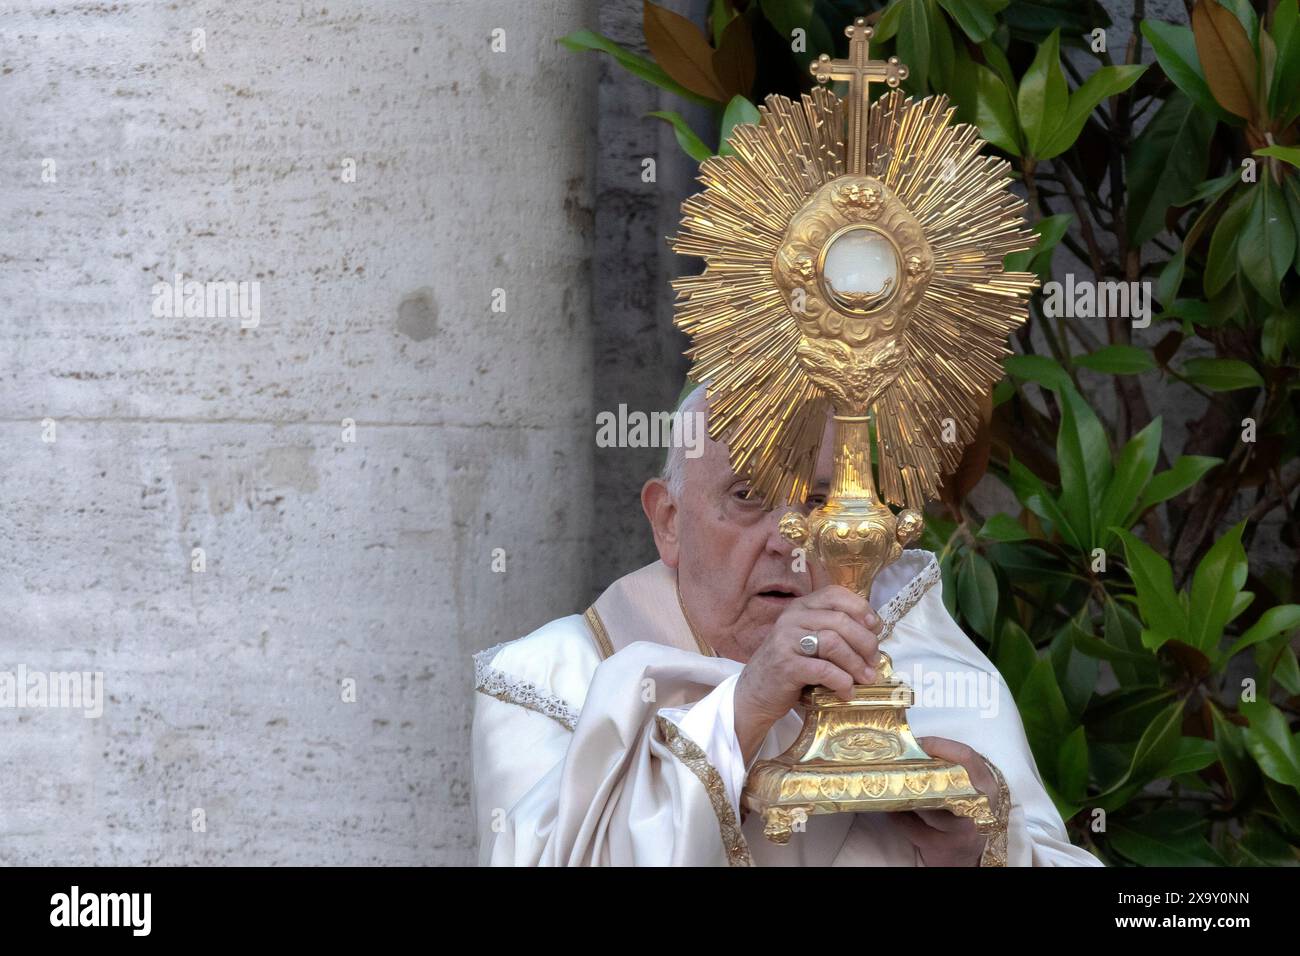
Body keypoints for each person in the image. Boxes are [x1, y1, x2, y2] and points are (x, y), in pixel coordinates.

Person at [470, 383, 1101, 866]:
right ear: (668, 520)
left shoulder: (929, 668)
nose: (788, 539)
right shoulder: (548, 680)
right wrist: (741, 715)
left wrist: (982, 850)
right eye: (748, 496)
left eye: (821, 500)